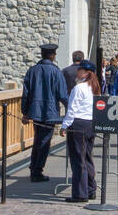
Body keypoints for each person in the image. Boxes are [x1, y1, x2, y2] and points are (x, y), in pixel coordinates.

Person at [21, 42, 68, 182]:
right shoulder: (56, 71)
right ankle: (37, 170)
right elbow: (63, 94)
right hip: (49, 112)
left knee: (38, 139)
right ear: (52, 56)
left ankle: (34, 168)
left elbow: (26, 94)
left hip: (35, 111)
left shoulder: (32, 70)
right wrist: (71, 110)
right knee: (44, 142)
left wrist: (25, 112)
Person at [61, 60, 100, 202]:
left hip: (78, 124)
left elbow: (72, 109)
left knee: (78, 160)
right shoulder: (94, 87)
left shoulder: (79, 88)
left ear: (85, 73)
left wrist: (64, 125)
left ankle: (80, 193)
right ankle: (90, 188)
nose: (76, 72)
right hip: (90, 123)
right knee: (87, 157)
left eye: (79, 70)